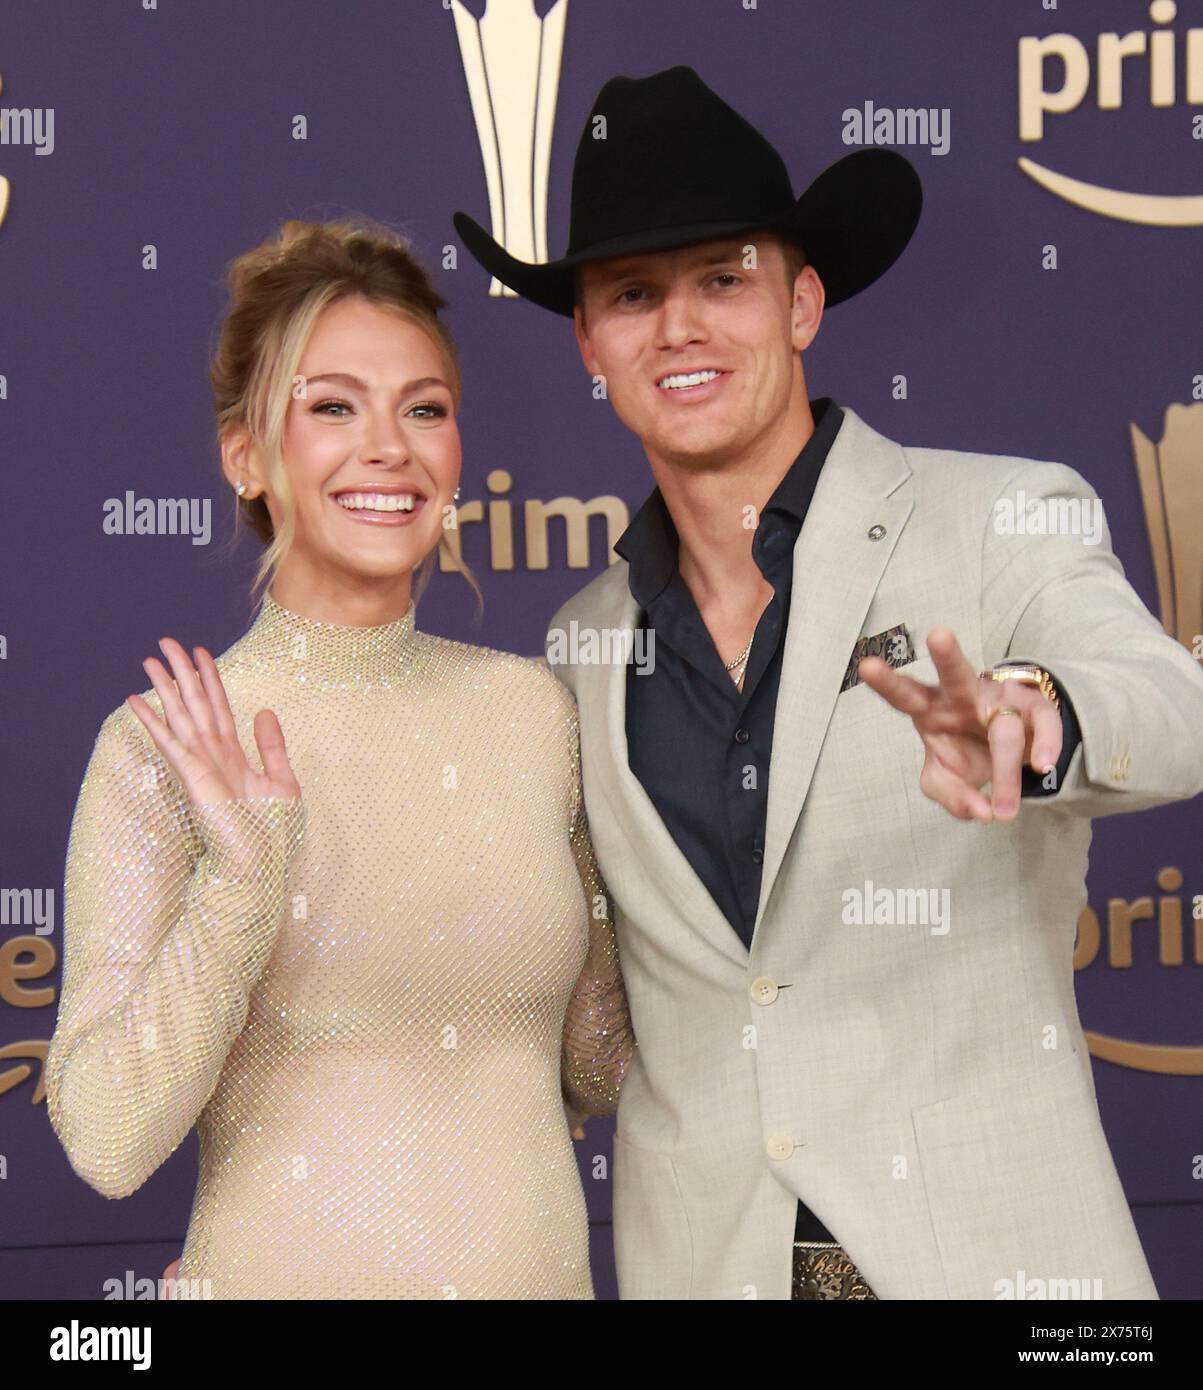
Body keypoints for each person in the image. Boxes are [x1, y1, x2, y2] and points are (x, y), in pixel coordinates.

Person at [453, 65, 1203, 1299]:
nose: (679, 327)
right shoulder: (573, 650)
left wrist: (1039, 715)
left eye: (722, 279)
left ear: (803, 301)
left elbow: (1168, 706)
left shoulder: (1001, 515)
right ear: (589, 340)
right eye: (634, 294)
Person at [44, 217, 634, 1300]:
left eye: (425, 408)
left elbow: (599, 1067)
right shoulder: (169, 744)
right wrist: (244, 880)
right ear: (247, 454)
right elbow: (108, 1136)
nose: (388, 448)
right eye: (331, 408)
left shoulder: (533, 713)